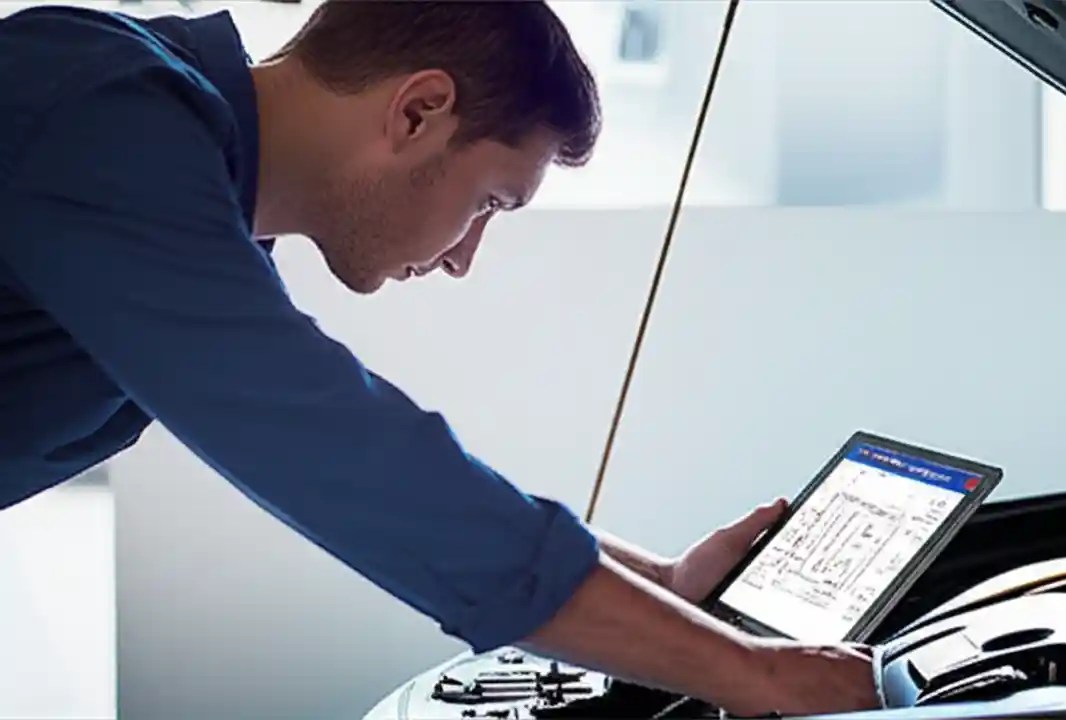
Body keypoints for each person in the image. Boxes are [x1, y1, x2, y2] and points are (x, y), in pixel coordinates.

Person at [0, 1, 879, 715]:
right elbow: (339, 452)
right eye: (492, 201)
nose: (464, 258)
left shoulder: (177, 176)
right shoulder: (105, 117)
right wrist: (756, 677)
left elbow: (353, 446)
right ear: (418, 112)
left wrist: (662, 583)